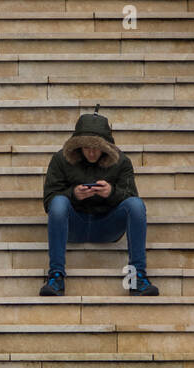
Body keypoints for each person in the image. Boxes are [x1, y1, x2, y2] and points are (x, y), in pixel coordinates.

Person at [39, 110, 158, 298]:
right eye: (86, 148)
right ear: (78, 146)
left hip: (107, 226)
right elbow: (49, 201)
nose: (92, 152)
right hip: (74, 226)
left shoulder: (121, 161)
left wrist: (111, 193)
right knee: (59, 202)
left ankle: (138, 278)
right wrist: (74, 194)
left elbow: (132, 198)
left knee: (136, 205)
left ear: (106, 147)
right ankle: (56, 276)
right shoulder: (61, 159)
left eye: (96, 148)